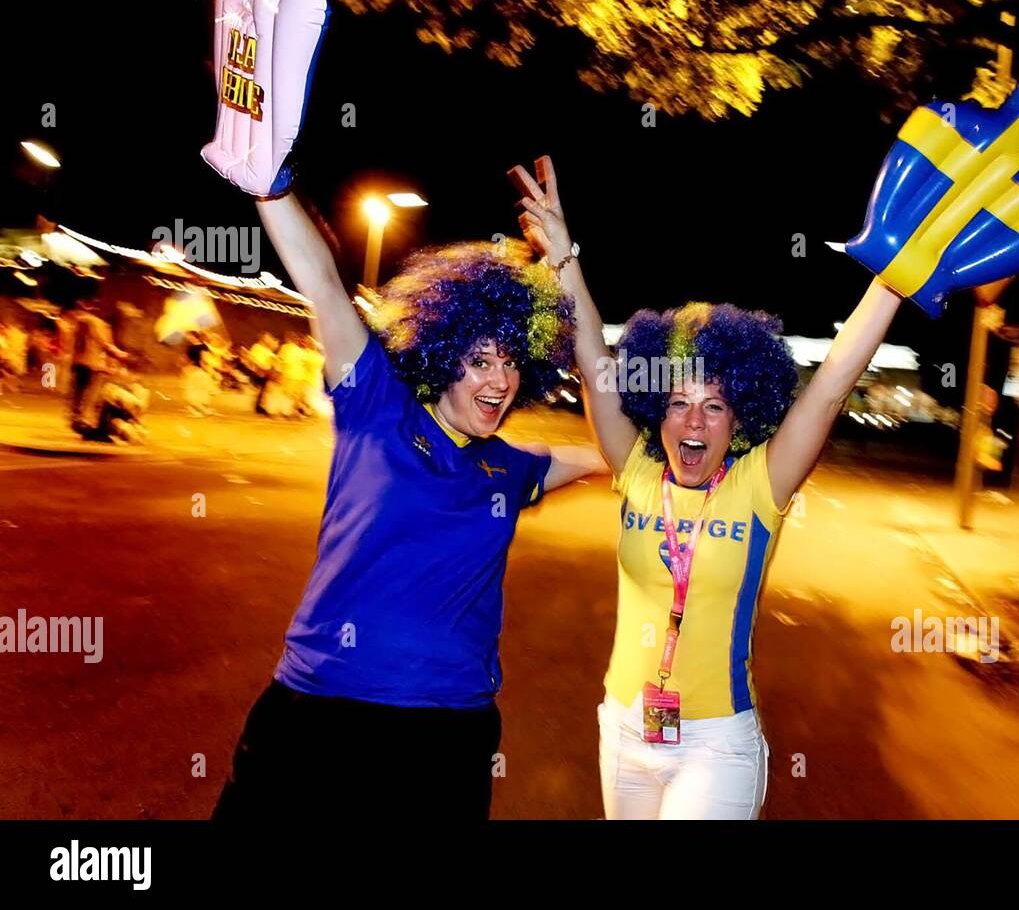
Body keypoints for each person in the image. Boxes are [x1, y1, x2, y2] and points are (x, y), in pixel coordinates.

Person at [509, 157, 908, 819]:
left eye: (714, 406)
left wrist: (894, 282)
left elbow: (833, 382)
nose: (694, 420)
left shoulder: (760, 485)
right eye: (679, 402)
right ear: (656, 408)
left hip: (716, 745)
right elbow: (593, 363)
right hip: (624, 729)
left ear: (740, 417)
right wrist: (563, 258)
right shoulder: (635, 468)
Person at [210, 189, 607, 823]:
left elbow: (619, 454)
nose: (499, 382)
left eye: (511, 364)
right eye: (479, 361)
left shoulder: (511, 467)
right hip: (317, 715)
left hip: (444, 741)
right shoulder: (376, 403)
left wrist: (567, 267)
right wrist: (270, 186)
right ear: (442, 351)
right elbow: (318, 279)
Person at [69, 300, 127, 433]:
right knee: (91, 393)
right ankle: (84, 419)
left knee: (79, 390)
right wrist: (120, 355)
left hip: (78, 361)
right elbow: (104, 344)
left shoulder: (78, 321)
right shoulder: (98, 323)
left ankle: (75, 417)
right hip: (91, 362)